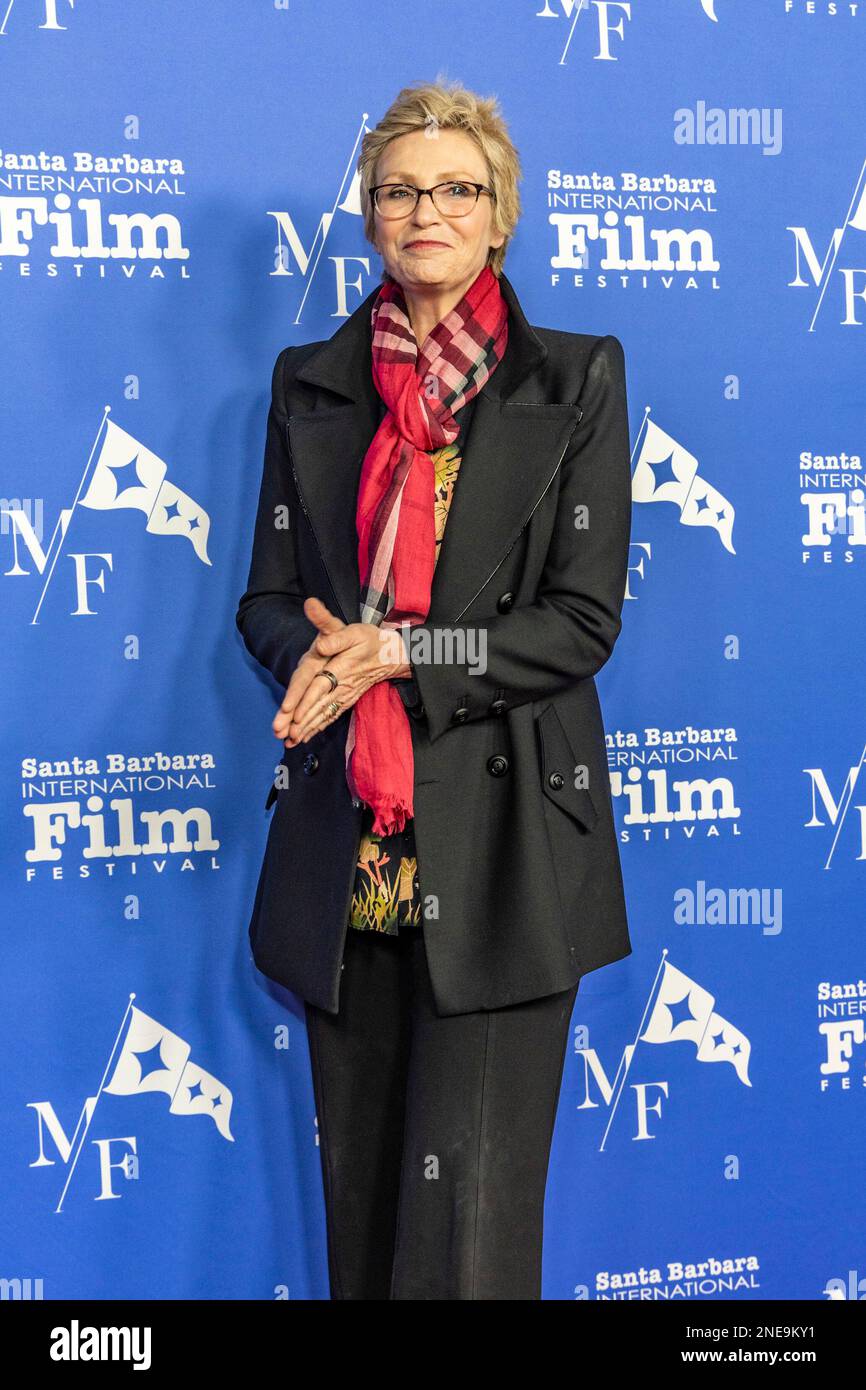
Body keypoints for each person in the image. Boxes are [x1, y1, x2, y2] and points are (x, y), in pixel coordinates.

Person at [235, 78, 633, 1300]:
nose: (426, 212)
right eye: (399, 191)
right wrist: (316, 653)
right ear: (369, 218)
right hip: (348, 854)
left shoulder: (573, 379)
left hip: (505, 853)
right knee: (361, 1226)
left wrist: (397, 654)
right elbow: (266, 598)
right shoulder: (311, 380)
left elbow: (577, 624)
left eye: (456, 188)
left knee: (466, 1241)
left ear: (499, 214)